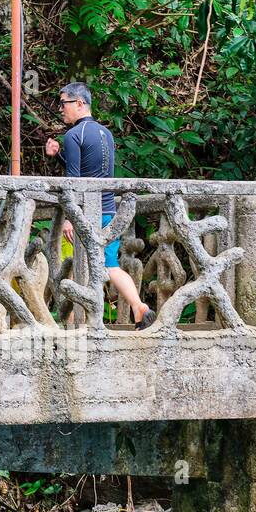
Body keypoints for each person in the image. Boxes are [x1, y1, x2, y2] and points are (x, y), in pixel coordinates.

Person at [44, 82, 155, 330]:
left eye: (64, 103)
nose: (61, 109)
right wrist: (59, 155)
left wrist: (71, 219)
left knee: (84, 265)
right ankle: (139, 307)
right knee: (109, 264)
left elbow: (74, 181)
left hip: (87, 215)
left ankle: (76, 323)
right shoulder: (106, 133)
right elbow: (93, 174)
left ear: (80, 103)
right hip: (108, 212)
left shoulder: (73, 135)